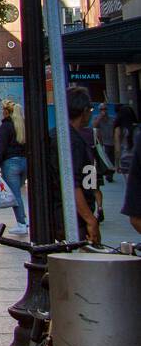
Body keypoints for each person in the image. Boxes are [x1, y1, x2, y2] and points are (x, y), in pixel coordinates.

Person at [66, 87, 102, 244]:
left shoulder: (75, 137)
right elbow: (72, 184)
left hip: (78, 214)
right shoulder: (72, 141)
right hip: (76, 218)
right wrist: (90, 219)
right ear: (84, 111)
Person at [0, 98, 29, 236]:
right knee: (18, 193)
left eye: (3, 110)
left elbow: (1, 147)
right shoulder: (22, 125)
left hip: (10, 163)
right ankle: (23, 220)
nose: (2, 113)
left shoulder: (5, 126)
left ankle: (21, 223)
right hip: (24, 162)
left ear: (7, 112)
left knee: (15, 195)